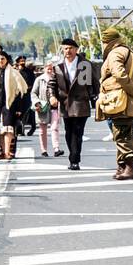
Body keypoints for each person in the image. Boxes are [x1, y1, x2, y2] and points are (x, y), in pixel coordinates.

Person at [49, 37, 97, 171]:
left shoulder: (85, 65)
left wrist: (96, 99)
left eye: (70, 48)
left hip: (81, 103)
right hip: (65, 104)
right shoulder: (58, 67)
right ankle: (73, 155)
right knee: (68, 133)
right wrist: (52, 96)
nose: (68, 51)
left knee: (77, 132)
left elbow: (93, 83)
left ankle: (74, 160)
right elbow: (51, 84)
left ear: (76, 50)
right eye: (65, 48)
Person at [97, 26, 133, 180]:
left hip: (119, 100)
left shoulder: (115, 53)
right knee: (124, 131)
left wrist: (132, 90)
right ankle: (122, 166)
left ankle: (131, 166)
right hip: (126, 100)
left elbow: (119, 73)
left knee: (121, 134)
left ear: (107, 41)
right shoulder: (129, 51)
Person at [0, 50, 29, 159]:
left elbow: (21, 91)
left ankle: (7, 151)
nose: (1, 61)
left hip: (10, 104)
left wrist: (19, 107)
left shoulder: (14, 73)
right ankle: (2, 150)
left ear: (7, 60)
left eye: (2, 59)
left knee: (8, 128)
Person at [32, 62, 63, 157]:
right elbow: (33, 93)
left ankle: (56, 148)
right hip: (43, 107)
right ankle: (44, 150)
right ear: (44, 69)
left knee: (54, 128)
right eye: (48, 69)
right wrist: (37, 102)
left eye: (51, 69)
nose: (50, 71)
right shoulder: (39, 79)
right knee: (42, 130)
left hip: (54, 107)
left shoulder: (57, 79)